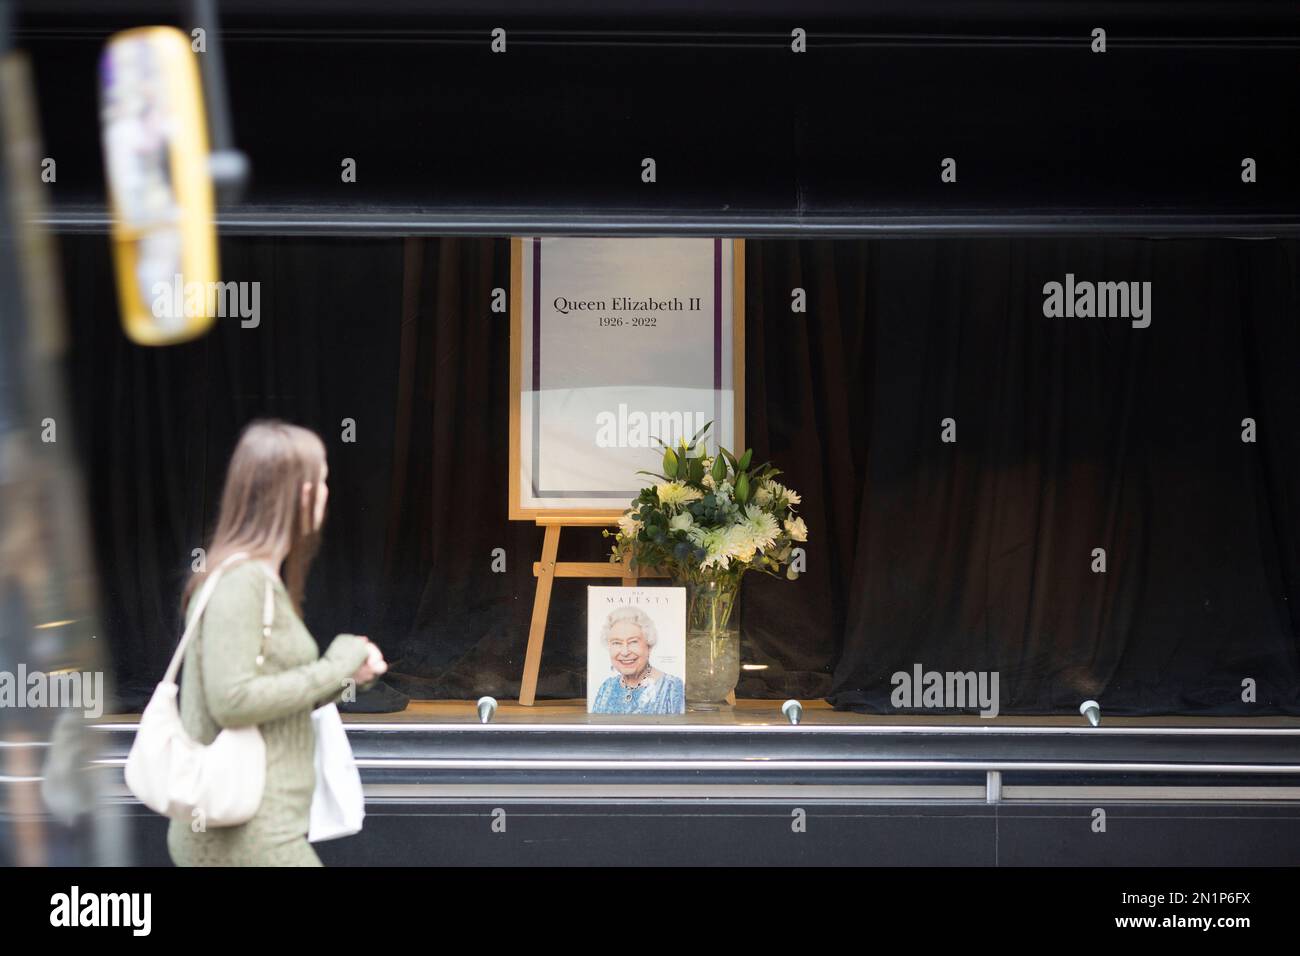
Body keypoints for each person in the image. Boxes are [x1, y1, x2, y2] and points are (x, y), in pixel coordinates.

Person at [167, 420, 386, 866]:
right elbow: (231, 699)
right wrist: (337, 664)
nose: (327, 492)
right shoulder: (241, 582)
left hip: (259, 828)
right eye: (321, 480)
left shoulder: (256, 578)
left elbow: (264, 699)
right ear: (299, 493)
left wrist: (344, 677)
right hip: (247, 836)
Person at [591, 606, 684, 715]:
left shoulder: (671, 688)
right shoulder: (606, 687)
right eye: (617, 643)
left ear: (649, 646)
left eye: (633, 642)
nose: (625, 652)